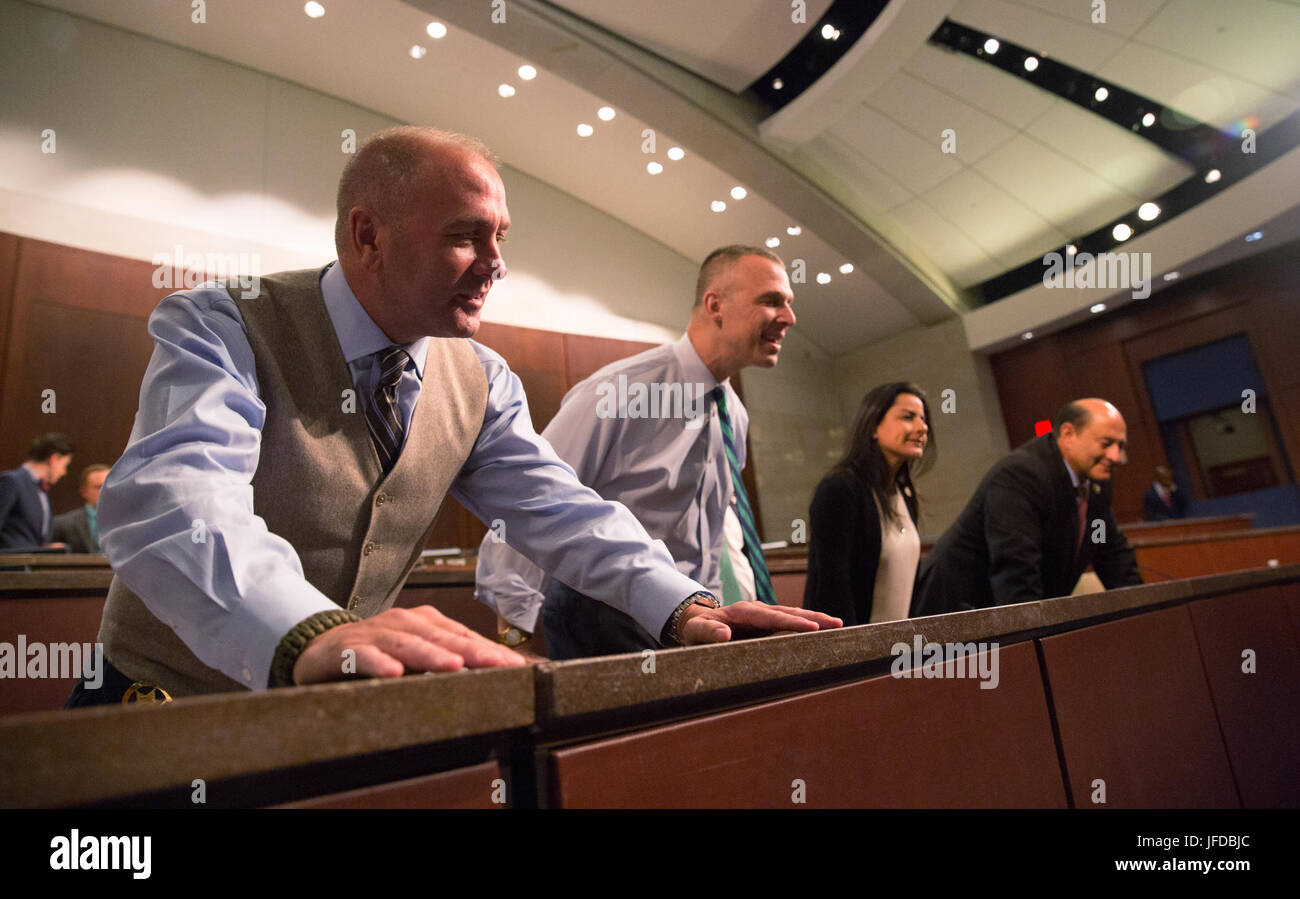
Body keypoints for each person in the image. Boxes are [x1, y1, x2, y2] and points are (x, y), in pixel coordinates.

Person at [69, 126, 837, 706]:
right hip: (154, 701)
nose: (496, 263)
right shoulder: (226, 323)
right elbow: (173, 505)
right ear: (368, 234)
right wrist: (308, 631)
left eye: (500, 237)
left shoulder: (482, 380)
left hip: (321, 713)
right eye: (466, 235)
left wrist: (680, 603)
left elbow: (564, 511)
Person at [475, 245, 798, 658]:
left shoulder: (732, 413)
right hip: (600, 615)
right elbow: (530, 503)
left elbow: (710, 540)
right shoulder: (620, 392)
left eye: (788, 303)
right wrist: (514, 637)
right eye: (772, 301)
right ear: (715, 305)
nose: (790, 318)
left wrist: (710, 620)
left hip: (685, 618)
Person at [911, 398, 1141, 616]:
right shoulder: (1021, 474)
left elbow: (1111, 553)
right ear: (1069, 434)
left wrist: (1139, 607)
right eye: (1106, 443)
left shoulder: (1097, 482)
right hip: (957, 616)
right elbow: (1016, 569)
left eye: (1120, 445)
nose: (1116, 456)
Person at [803, 383, 933, 626]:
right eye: (908, 417)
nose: (922, 428)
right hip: (851, 650)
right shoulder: (840, 487)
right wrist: (855, 653)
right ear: (873, 426)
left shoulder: (904, 493)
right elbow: (832, 585)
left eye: (923, 419)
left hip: (898, 650)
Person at [0, 433, 74, 551]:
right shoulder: (12, 481)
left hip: (34, 564)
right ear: (53, 459)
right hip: (12, 565)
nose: (63, 472)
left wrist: (45, 548)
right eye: (65, 465)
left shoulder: (41, 490)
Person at [52, 463, 110, 554]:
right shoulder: (64, 525)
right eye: (98, 487)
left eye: (108, 485)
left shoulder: (130, 520)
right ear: (84, 492)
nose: (104, 491)